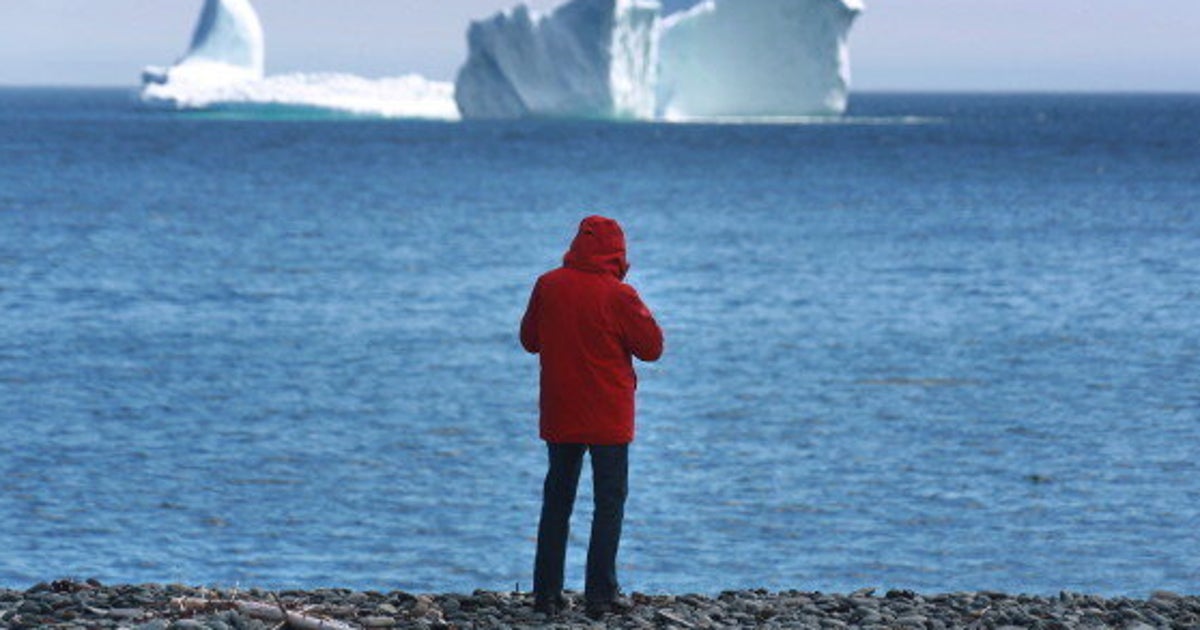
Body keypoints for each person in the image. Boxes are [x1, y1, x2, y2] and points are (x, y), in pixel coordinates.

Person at [520, 215, 664, 619]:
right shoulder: (620, 295)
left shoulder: (548, 285)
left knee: (557, 501)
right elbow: (652, 348)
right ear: (617, 252)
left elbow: (529, 341)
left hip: (561, 410)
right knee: (608, 503)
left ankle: (546, 595)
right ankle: (600, 595)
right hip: (608, 416)